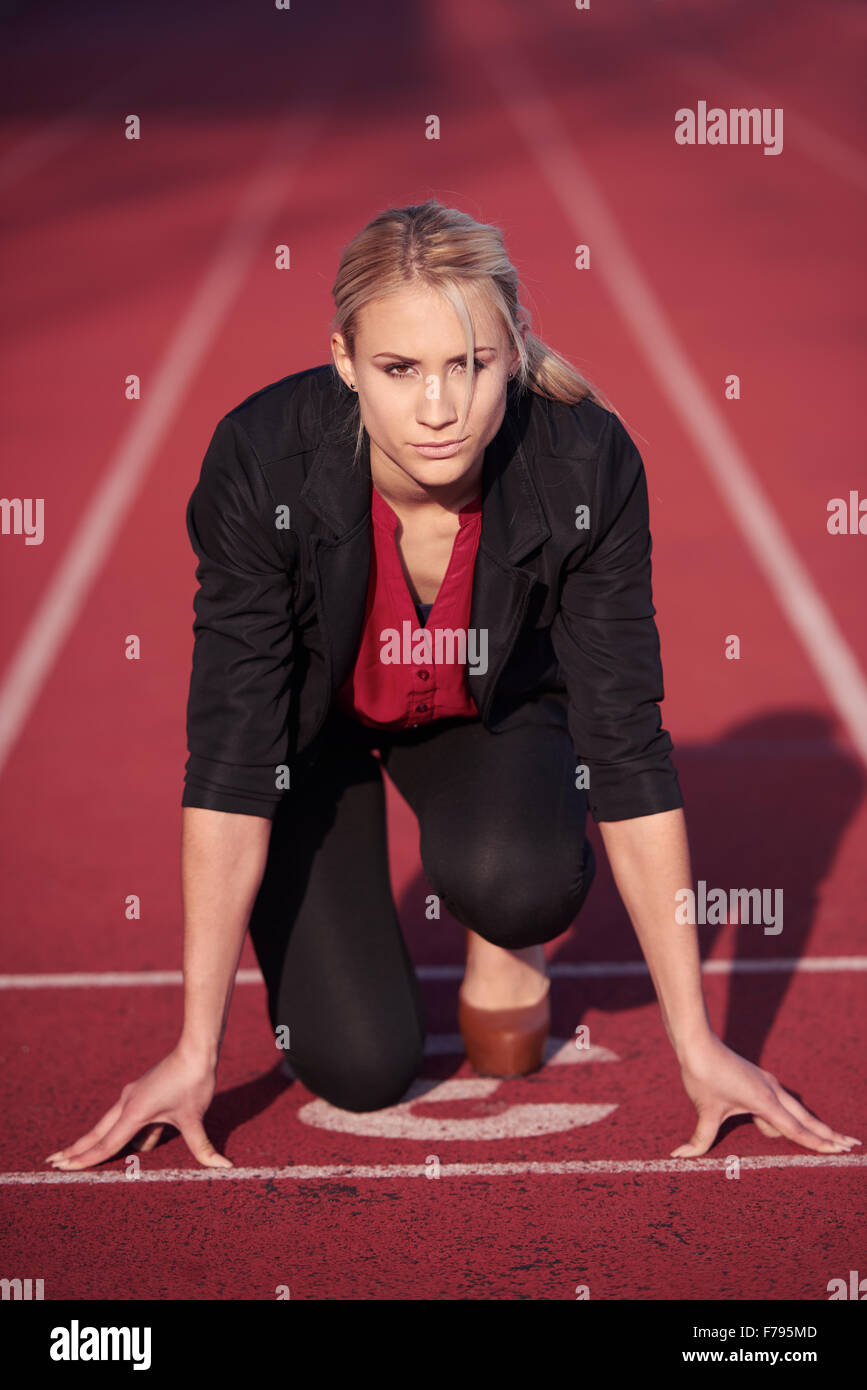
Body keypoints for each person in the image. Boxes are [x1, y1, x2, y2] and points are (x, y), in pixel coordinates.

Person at [45, 200, 859, 1171]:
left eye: (469, 365)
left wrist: (698, 1044)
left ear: (512, 353)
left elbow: (626, 747)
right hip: (319, 740)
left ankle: (503, 930)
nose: (439, 408)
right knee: (357, 1064)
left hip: (485, 711)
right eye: (399, 369)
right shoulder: (262, 461)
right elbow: (232, 757)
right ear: (344, 360)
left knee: (521, 884)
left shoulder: (584, 461)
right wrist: (195, 1049)